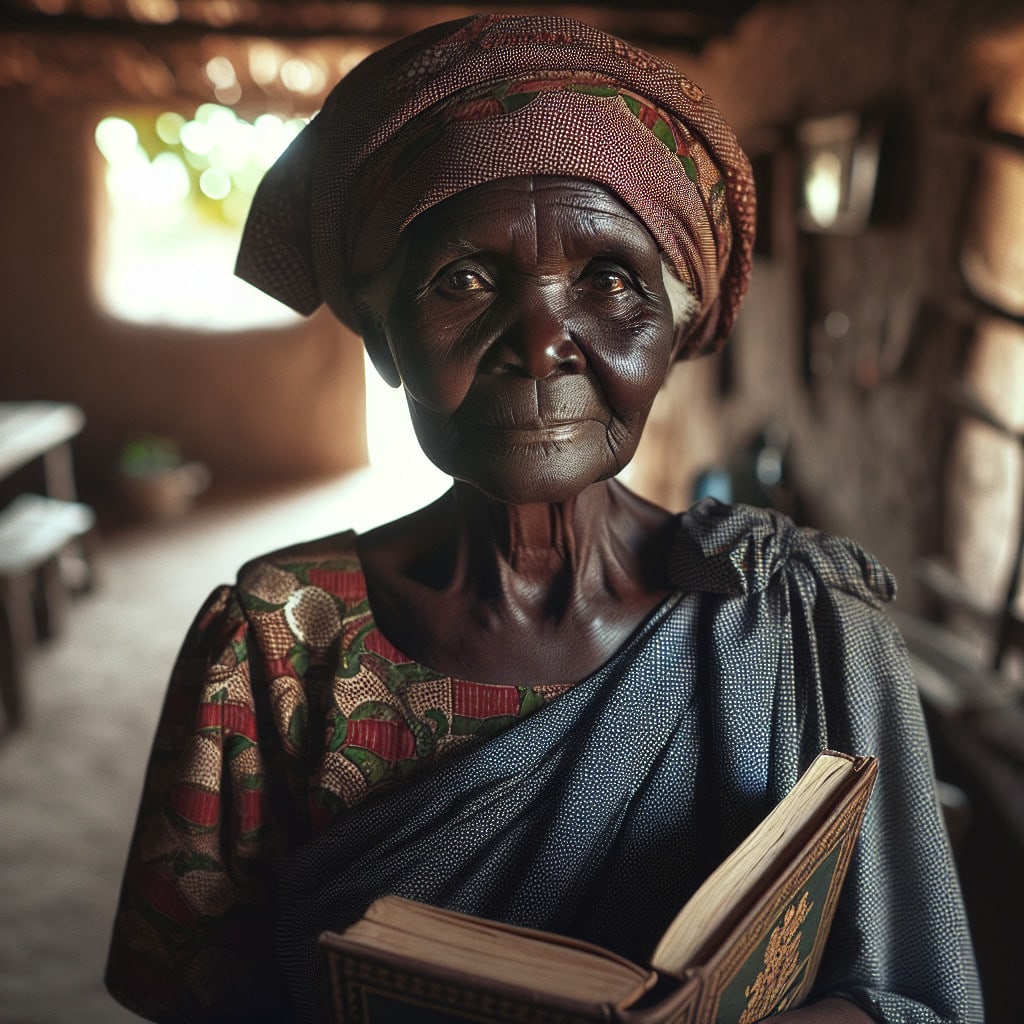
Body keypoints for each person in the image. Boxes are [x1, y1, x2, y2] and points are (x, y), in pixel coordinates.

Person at [105, 14, 981, 1024]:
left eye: (609, 279)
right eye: (463, 280)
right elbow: (195, 996)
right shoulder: (275, 644)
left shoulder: (802, 622)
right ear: (384, 340)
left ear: (676, 330)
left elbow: (908, 994)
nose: (539, 341)